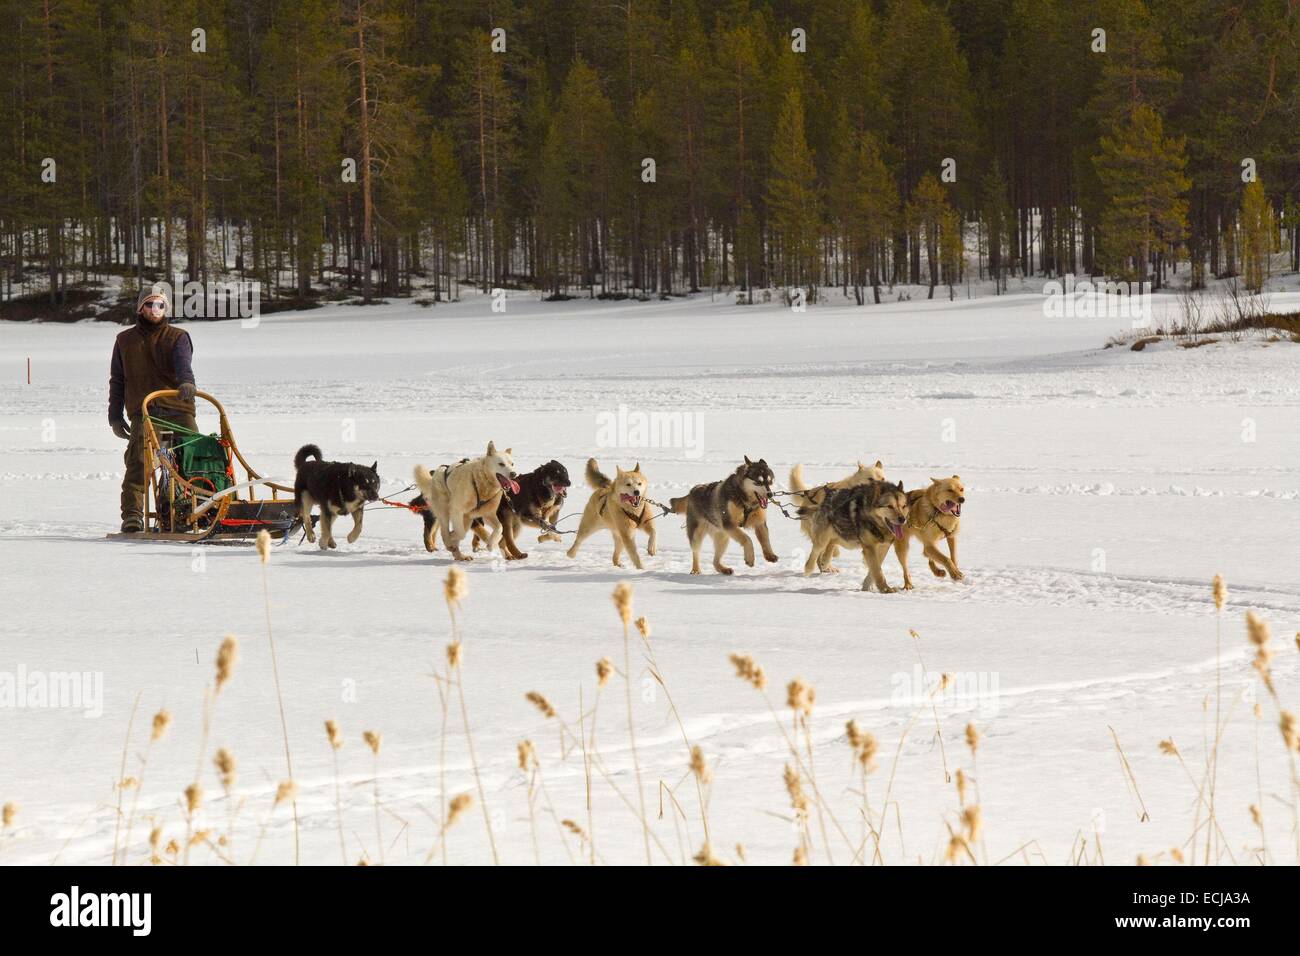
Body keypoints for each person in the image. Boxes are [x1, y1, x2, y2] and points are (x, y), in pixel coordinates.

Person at [108, 287, 198, 532]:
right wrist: (115, 416)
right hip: (144, 411)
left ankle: (186, 510)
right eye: (149, 304)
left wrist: (186, 383)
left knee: (191, 456)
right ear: (140, 308)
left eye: (159, 305)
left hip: (178, 408)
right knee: (139, 460)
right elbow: (117, 380)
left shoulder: (178, 336)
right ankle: (133, 515)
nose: (154, 310)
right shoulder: (125, 340)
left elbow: (183, 365)